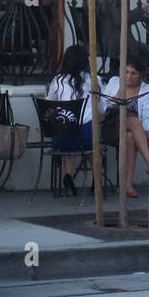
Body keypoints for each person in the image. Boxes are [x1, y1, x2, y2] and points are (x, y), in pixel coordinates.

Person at [103, 55, 149, 196]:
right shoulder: (115, 82)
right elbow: (101, 108)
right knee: (133, 120)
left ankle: (127, 186)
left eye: (133, 73)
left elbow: (147, 119)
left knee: (130, 136)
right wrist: (113, 99)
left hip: (135, 131)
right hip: (110, 127)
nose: (129, 76)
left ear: (141, 75)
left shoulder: (146, 90)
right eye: (126, 72)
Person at [46, 45, 104, 195]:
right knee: (92, 142)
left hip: (62, 139)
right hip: (86, 138)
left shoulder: (58, 80)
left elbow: (48, 104)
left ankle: (68, 173)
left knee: (66, 124)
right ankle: (97, 179)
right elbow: (101, 110)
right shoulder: (94, 79)